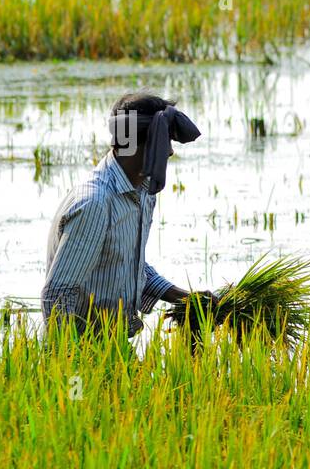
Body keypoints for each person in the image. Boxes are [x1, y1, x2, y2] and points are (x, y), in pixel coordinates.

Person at [41, 91, 213, 337]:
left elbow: (126, 265)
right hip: (82, 354)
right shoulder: (95, 204)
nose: (170, 152)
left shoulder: (143, 193)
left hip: (115, 346)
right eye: (165, 141)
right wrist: (69, 366)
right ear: (138, 143)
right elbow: (57, 295)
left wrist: (185, 299)